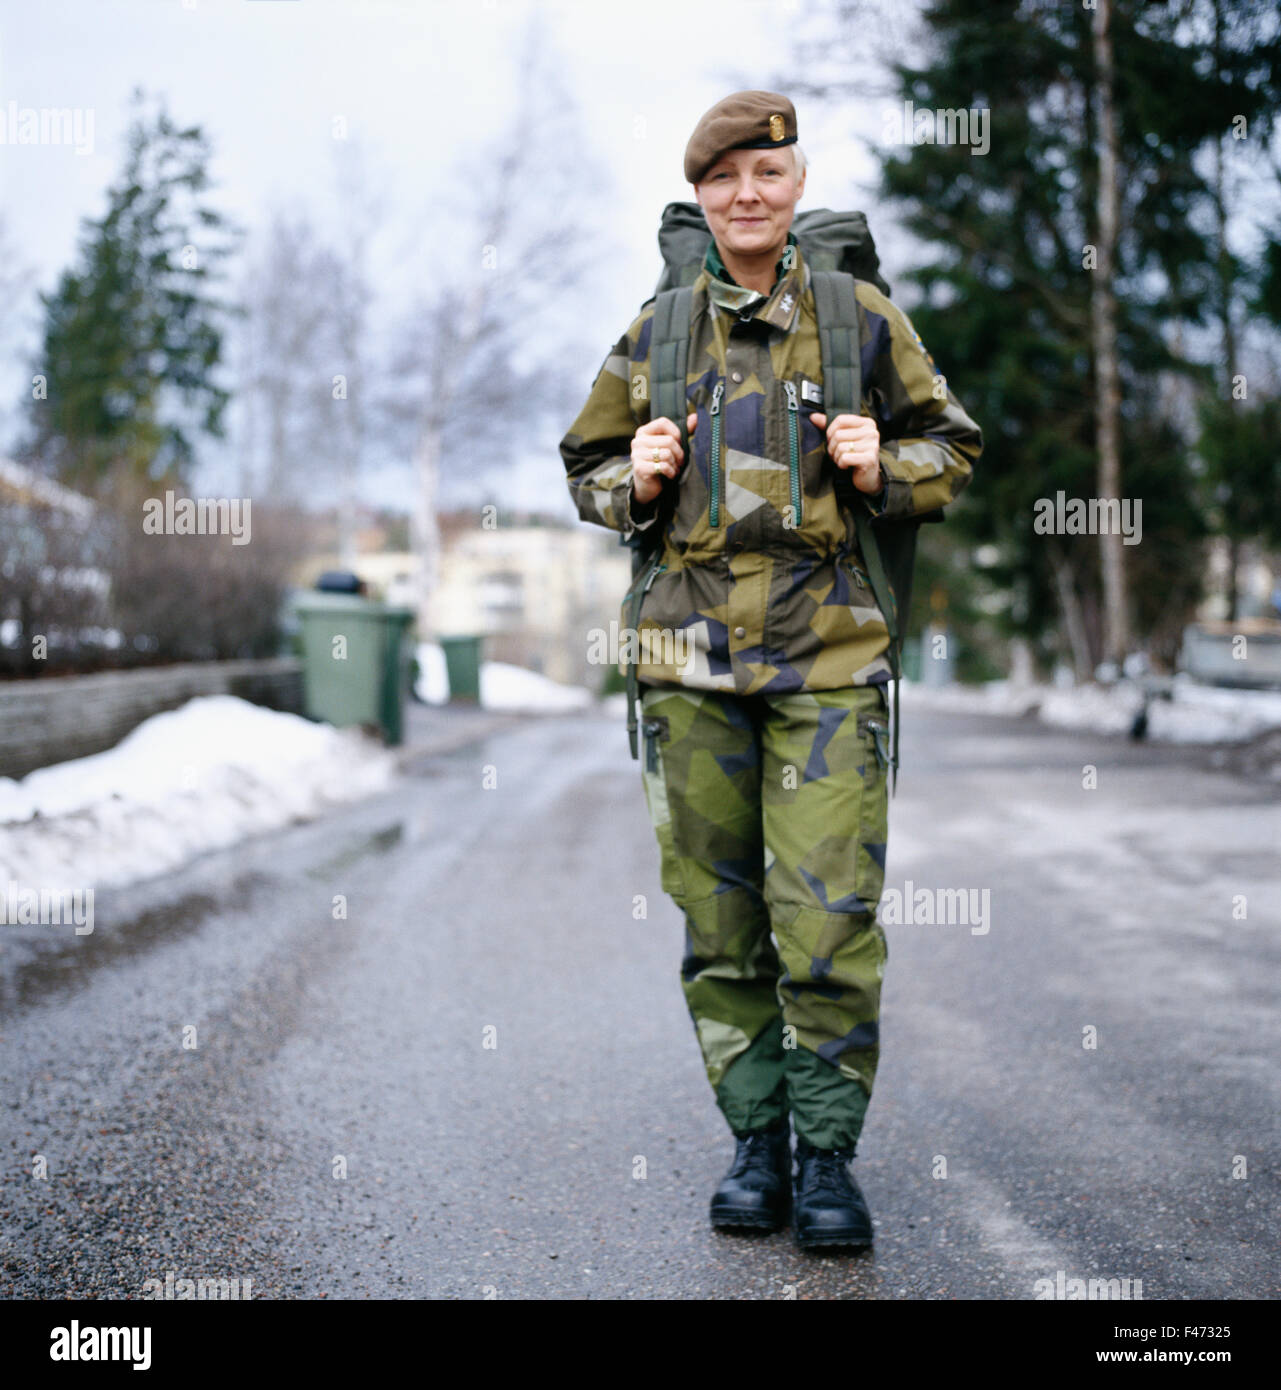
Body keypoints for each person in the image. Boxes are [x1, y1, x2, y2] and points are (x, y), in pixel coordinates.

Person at [560, 90, 982, 1249]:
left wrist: (881, 460)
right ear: (702, 196)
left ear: (797, 185)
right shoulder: (655, 333)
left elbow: (953, 448)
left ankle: (828, 1156)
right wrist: (630, 478)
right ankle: (756, 1142)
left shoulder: (857, 317)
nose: (748, 196)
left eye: (769, 174)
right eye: (725, 179)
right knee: (722, 918)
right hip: (687, 668)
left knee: (830, 917)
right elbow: (583, 463)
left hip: (830, 662)